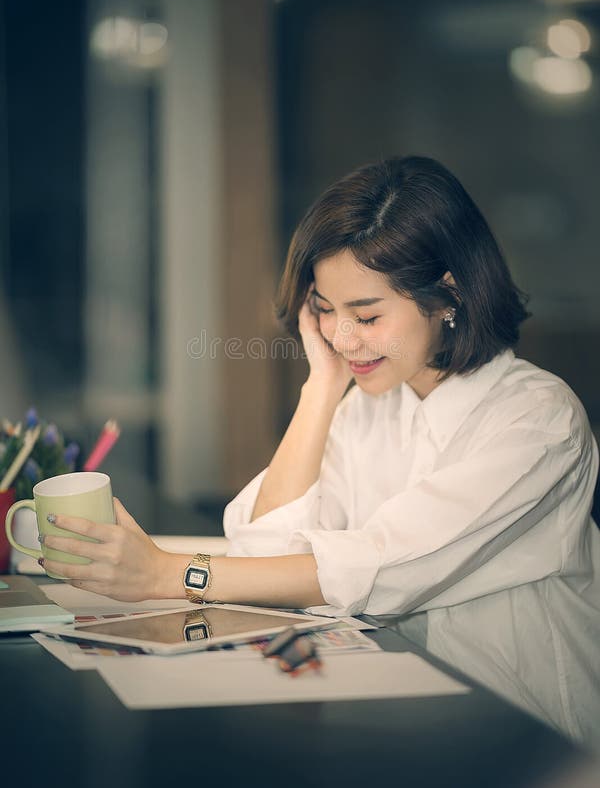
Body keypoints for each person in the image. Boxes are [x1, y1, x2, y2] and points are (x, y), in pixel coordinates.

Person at [41, 156, 600, 618]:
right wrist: (322, 388)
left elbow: (384, 566)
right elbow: (264, 555)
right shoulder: (368, 406)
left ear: (447, 297)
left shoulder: (537, 419)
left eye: (367, 314)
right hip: (407, 705)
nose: (342, 337)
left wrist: (168, 574)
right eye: (326, 311)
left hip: (530, 728)